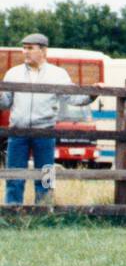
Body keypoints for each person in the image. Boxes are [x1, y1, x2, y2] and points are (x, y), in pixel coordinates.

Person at [0, 33, 97, 205]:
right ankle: (12, 213)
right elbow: (5, 102)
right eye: (24, 48)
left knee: (46, 175)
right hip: (17, 132)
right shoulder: (13, 73)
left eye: (30, 48)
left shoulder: (57, 74)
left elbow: (73, 98)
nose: (25, 52)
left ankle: (44, 210)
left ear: (43, 51)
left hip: (45, 131)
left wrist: (92, 95)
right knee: (14, 175)